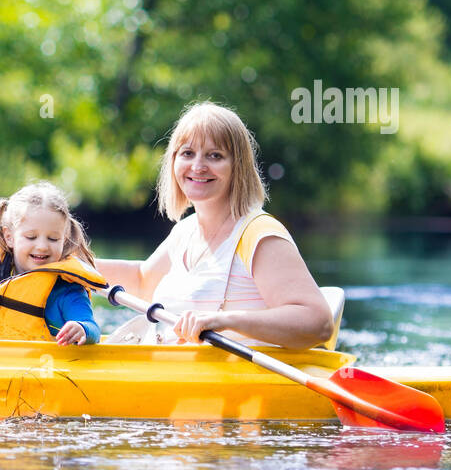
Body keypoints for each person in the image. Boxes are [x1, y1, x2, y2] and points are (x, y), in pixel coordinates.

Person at [97, 101, 333, 348]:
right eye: (187, 153)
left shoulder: (258, 234)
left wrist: (226, 320)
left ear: (237, 167)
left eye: (215, 155)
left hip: (242, 381)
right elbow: (143, 281)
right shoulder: (185, 231)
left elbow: (318, 323)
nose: (198, 166)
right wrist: (73, 264)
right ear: (174, 160)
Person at [0, 181, 106, 344]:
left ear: (64, 240)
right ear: (9, 237)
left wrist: (81, 329)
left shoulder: (66, 290)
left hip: (43, 371)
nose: (42, 246)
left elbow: (93, 329)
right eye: (31, 237)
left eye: (53, 239)